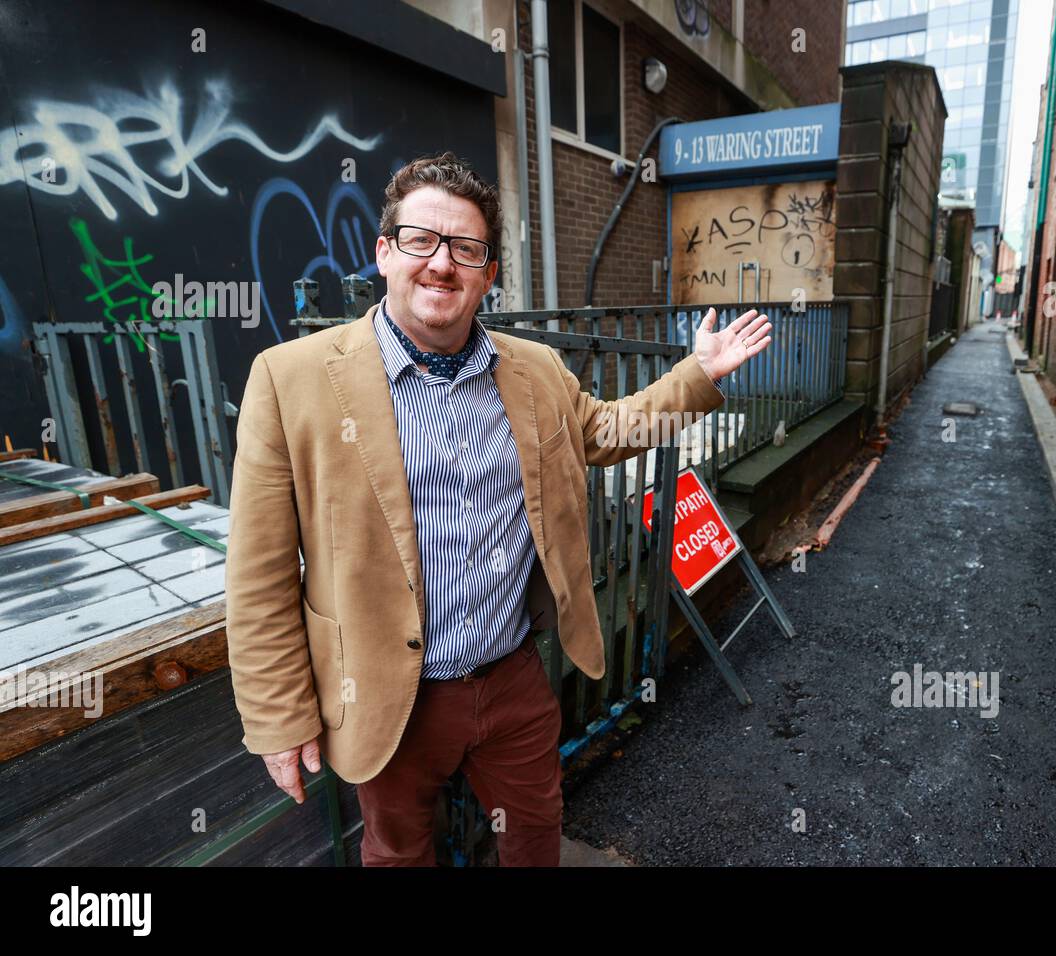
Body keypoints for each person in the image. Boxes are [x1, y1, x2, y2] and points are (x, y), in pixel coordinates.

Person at [224, 151, 772, 866]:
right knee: (397, 855)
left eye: (466, 249)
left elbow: (605, 432)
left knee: (533, 842)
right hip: (387, 690)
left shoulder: (535, 370)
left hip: (511, 679)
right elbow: (259, 570)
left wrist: (697, 375)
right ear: (385, 252)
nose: (442, 264)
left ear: (487, 273)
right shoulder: (290, 378)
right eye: (421, 240)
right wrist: (279, 715)